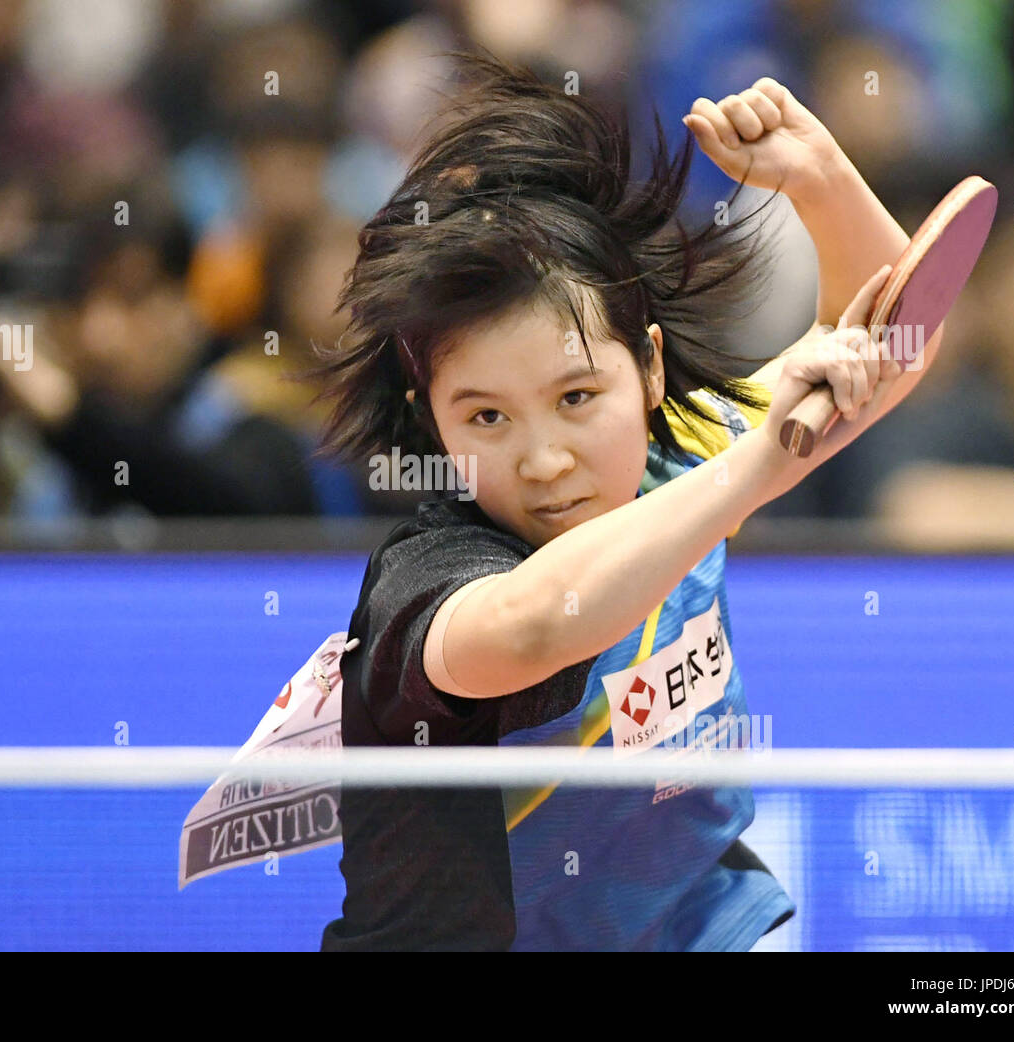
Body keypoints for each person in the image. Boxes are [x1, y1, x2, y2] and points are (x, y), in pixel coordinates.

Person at [306, 53, 934, 951]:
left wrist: (821, 181)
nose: (545, 459)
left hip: (697, 922)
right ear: (434, 423)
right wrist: (767, 462)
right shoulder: (430, 576)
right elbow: (534, 625)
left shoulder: (688, 454)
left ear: (647, 366)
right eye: (486, 416)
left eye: (576, 398)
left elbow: (893, 347)